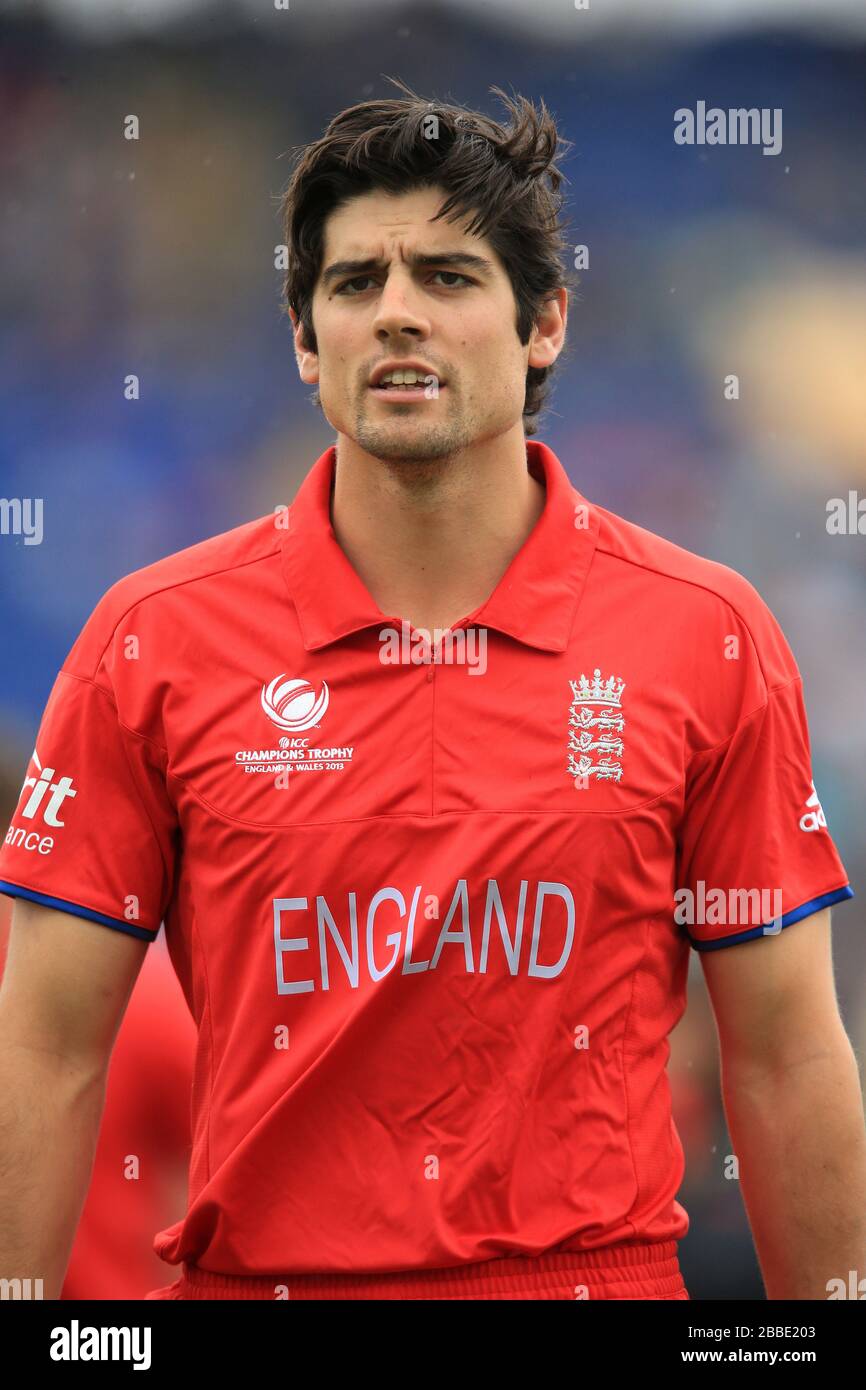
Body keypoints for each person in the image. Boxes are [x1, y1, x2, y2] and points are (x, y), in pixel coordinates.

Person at [0, 80, 862, 1302]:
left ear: (543, 323)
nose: (396, 315)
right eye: (354, 285)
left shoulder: (703, 634)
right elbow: (43, 1044)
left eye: (449, 279)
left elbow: (780, 1053)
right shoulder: (151, 639)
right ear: (306, 341)